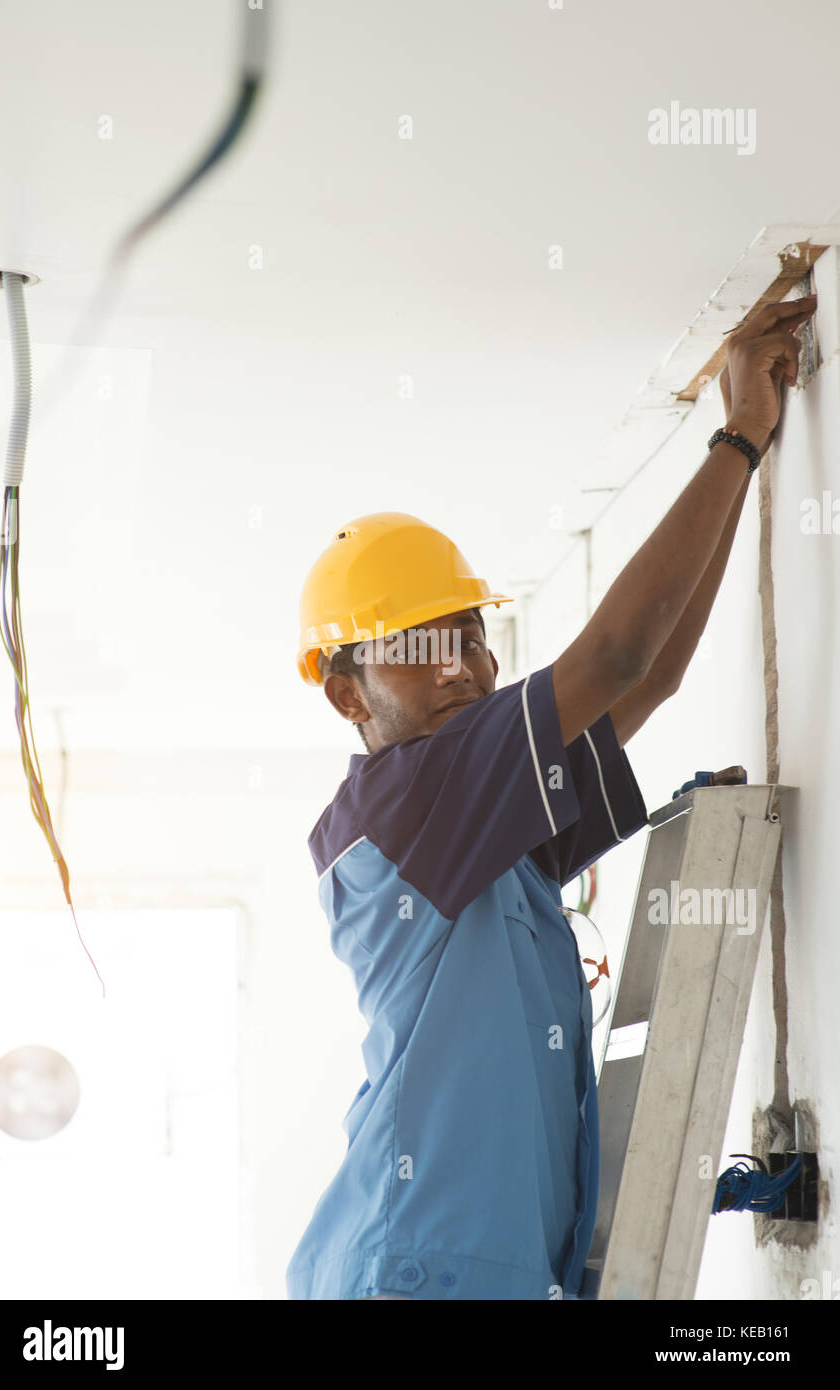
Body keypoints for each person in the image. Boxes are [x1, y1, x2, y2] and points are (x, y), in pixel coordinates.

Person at [285, 296, 816, 1299]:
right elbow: (615, 656)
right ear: (347, 689)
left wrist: (749, 459)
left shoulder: (483, 832)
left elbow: (643, 679)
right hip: (415, 1268)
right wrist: (737, 431)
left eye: (473, 638)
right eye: (422, 647)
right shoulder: (405, 802)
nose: (462, 670)